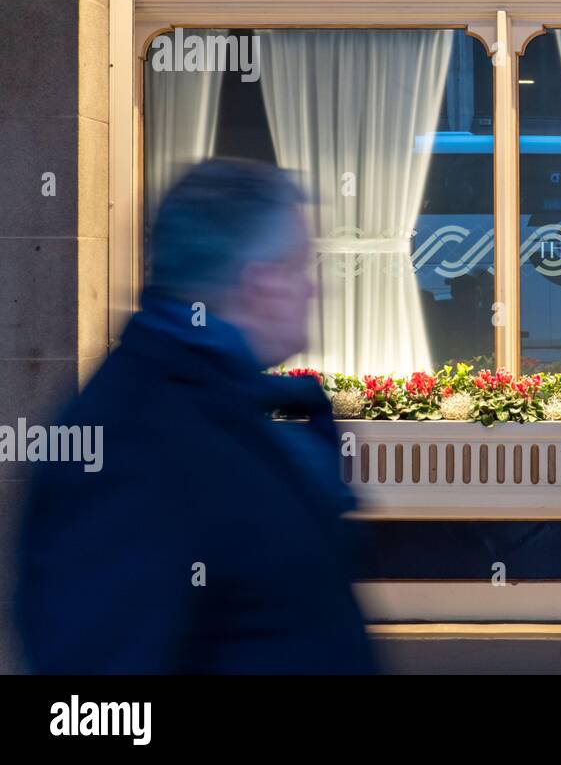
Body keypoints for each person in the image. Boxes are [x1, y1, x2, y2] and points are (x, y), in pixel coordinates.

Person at [16, 159, 375, 674]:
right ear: (261, 282)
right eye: (301, 267)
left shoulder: (213, 402)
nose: (311, 289)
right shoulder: (135, 445)